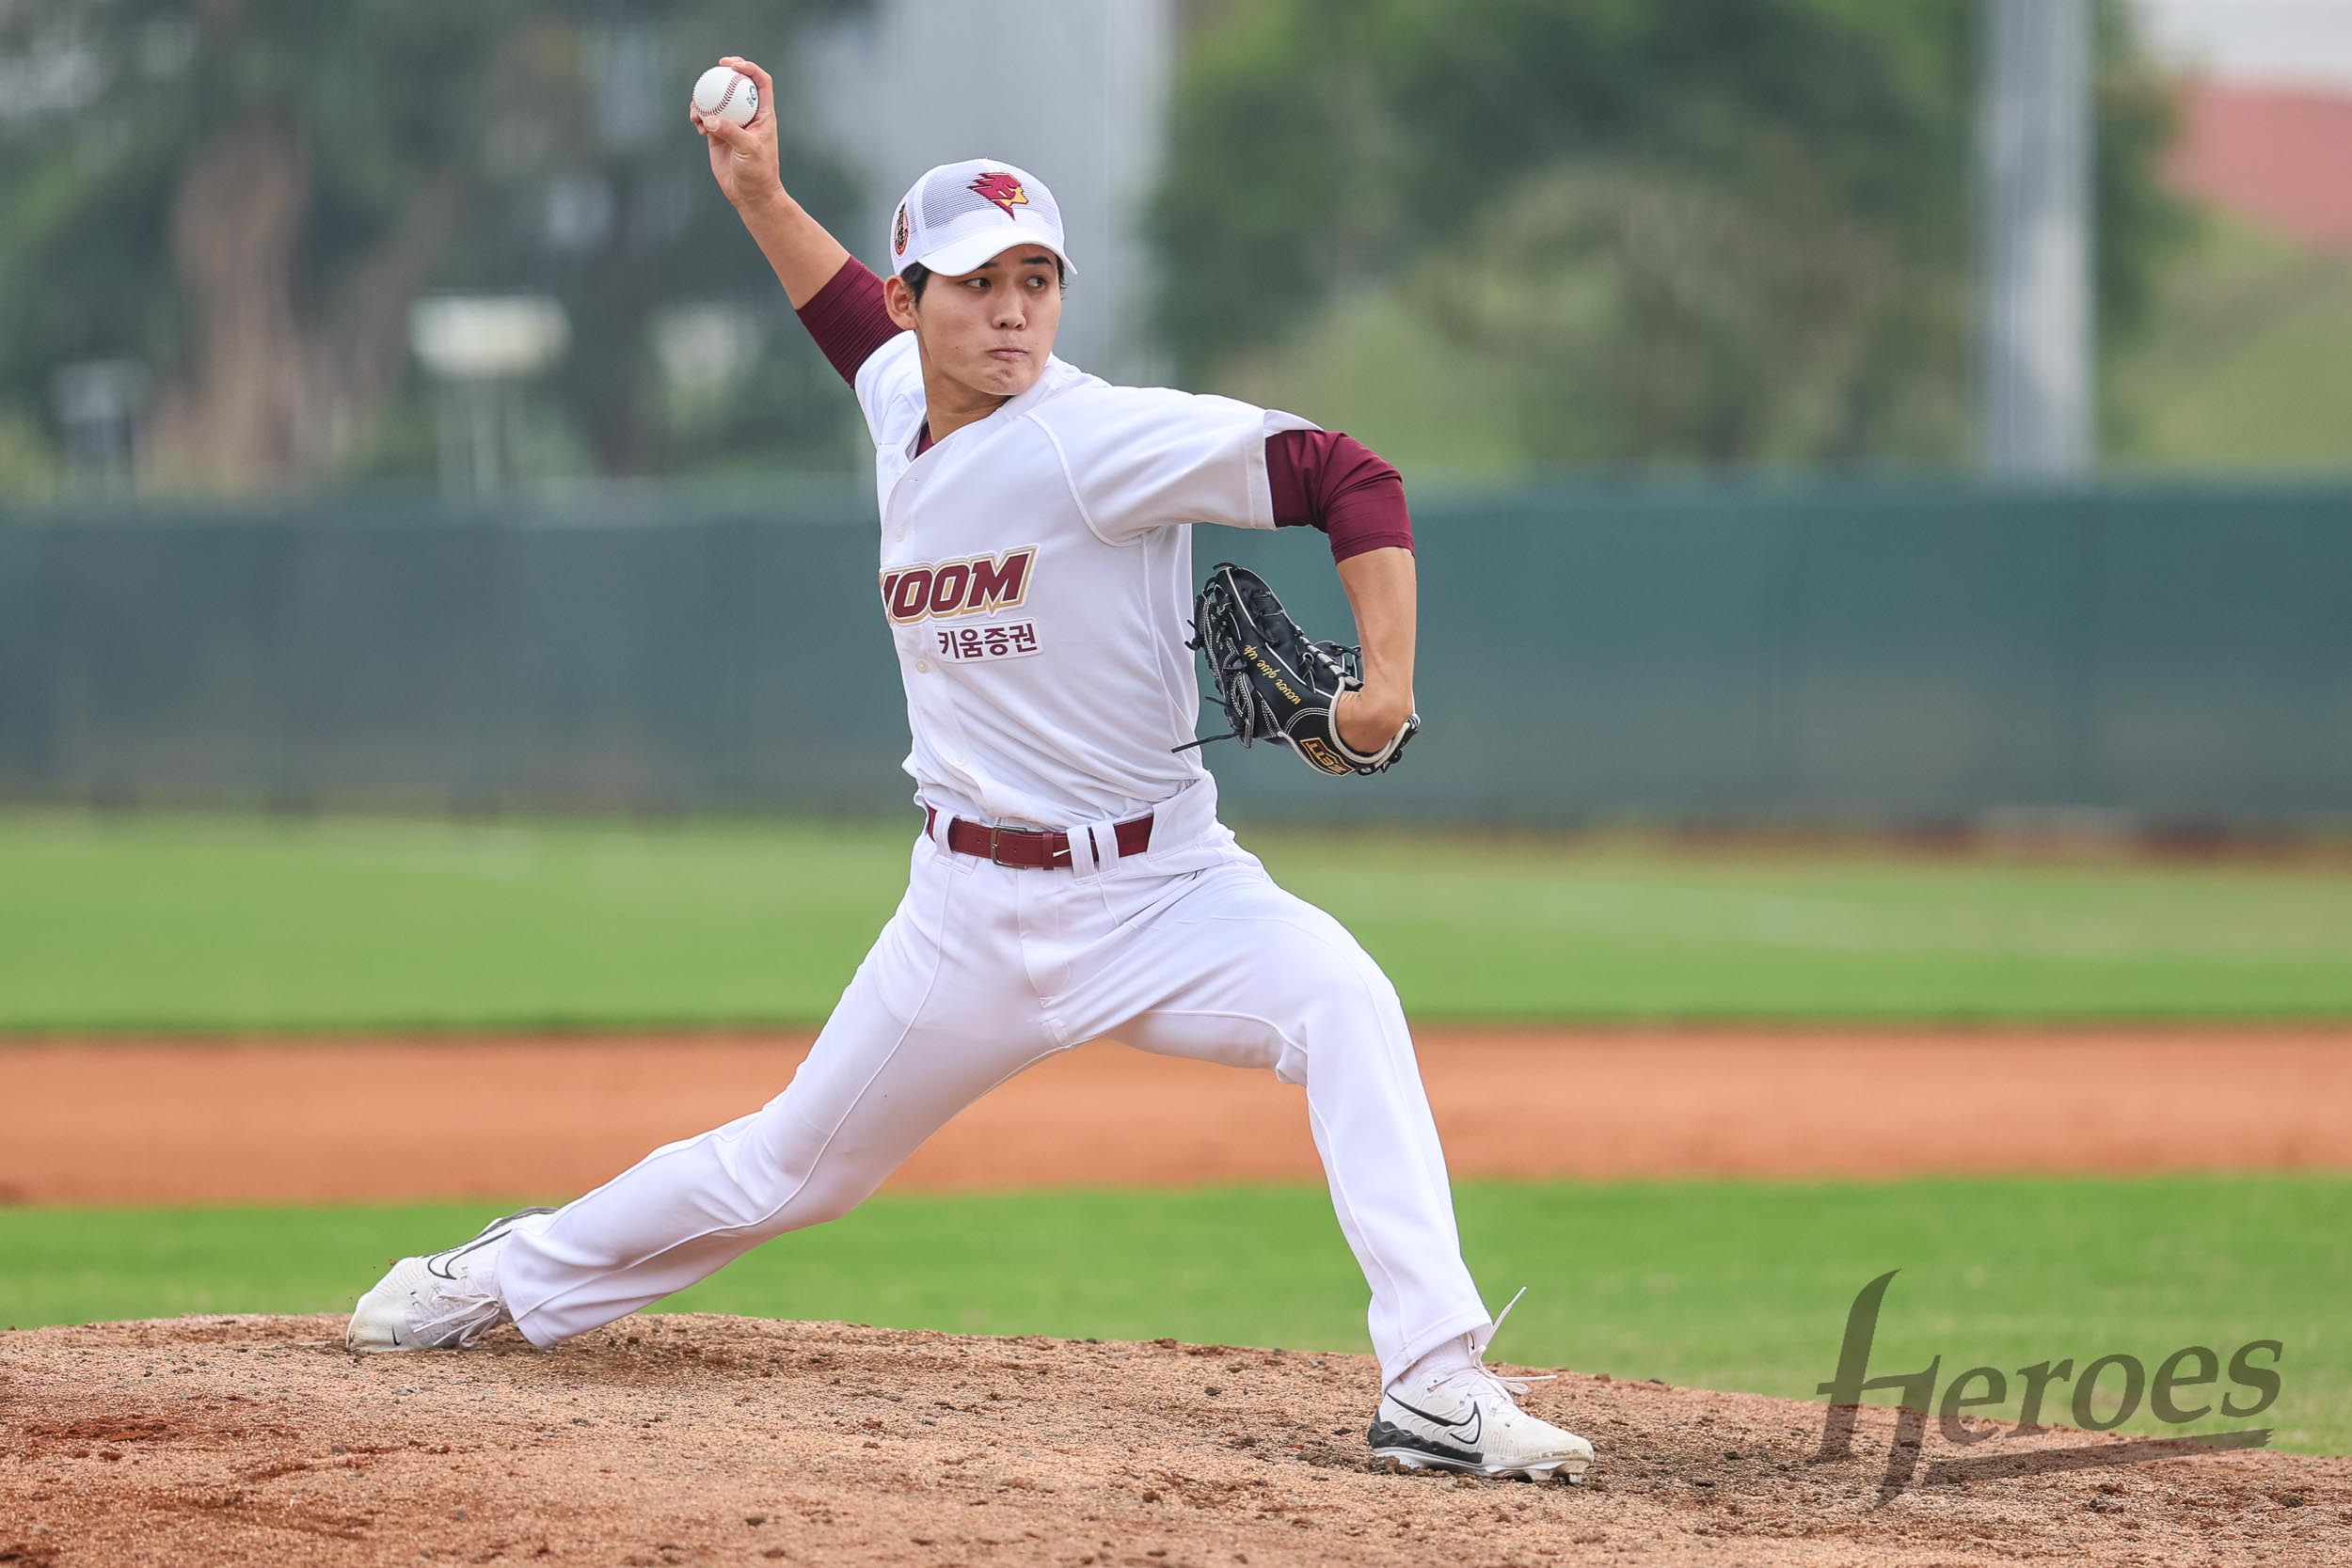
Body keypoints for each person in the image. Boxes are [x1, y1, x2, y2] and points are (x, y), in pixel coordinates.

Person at [346, 54, 1593, 1486]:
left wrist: (1384, 693)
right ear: (913, 303)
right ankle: (502, 1276)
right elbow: (834, 317)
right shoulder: (899, 401)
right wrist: (758, 191)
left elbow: (1349, 475)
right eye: (974, 282)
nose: (1009, 311)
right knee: (790, 1172)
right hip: (964, 915)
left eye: (1036, 281)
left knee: (1345, 1001)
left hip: (1162, 891)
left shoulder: (1095, 439)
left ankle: (1434, 1382)